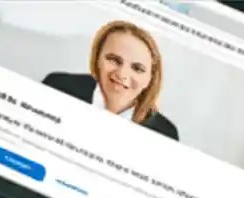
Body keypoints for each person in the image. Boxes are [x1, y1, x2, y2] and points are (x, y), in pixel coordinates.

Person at [42, 20, 179, 141]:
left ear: (150, 78)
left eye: (137, 68)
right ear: (97, 59)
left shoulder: (164, 134)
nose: (122, 74)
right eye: (113, 60)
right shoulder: (57, 86)